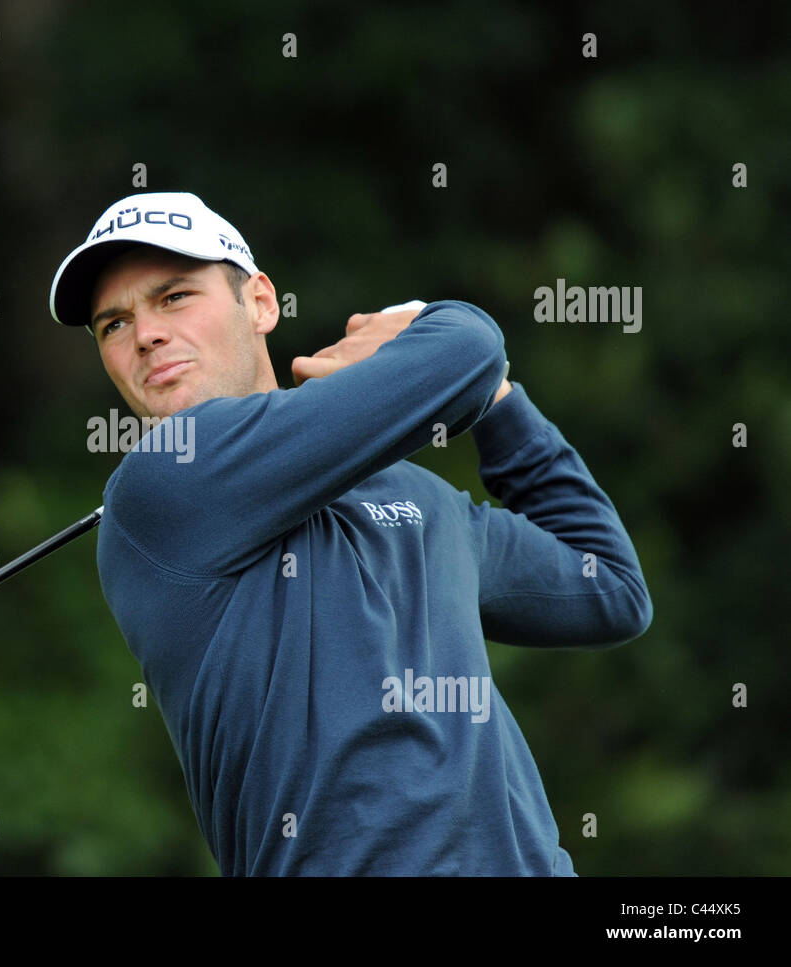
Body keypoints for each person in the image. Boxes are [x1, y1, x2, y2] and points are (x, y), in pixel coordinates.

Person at [48, 191, 653, 875]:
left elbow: (611, 587)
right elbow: (471, 344)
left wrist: (501, 401)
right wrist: (429, 334)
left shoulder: (418, 497)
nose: (145, 334)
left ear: (262, 303)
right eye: (113, 324)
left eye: (174, 297)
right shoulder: (162, 488)